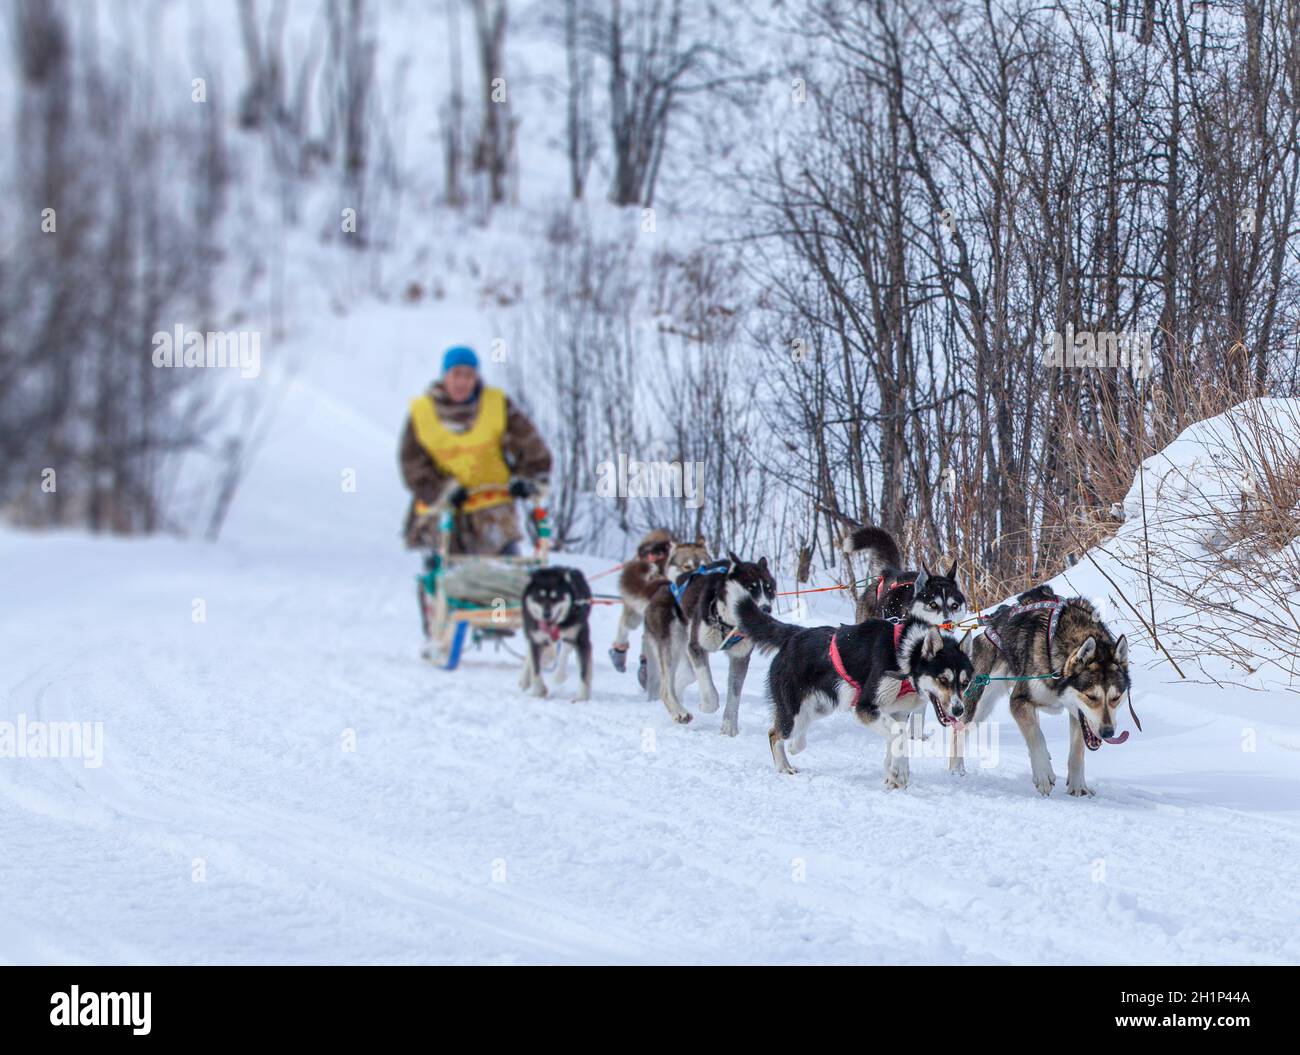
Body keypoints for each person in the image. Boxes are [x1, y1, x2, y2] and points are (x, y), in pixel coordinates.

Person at [400, 345, 552, 555]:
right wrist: (441, 490)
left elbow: (529, 444)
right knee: (448, 575)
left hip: (493, 505)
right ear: (445, 376)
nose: (462, 382)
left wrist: (530, 478)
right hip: (444, 509)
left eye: (468, 375)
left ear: (476, 377)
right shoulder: (423, 412)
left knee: (506, 571)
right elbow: (412, 463)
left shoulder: (497, 405)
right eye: (456, 374)